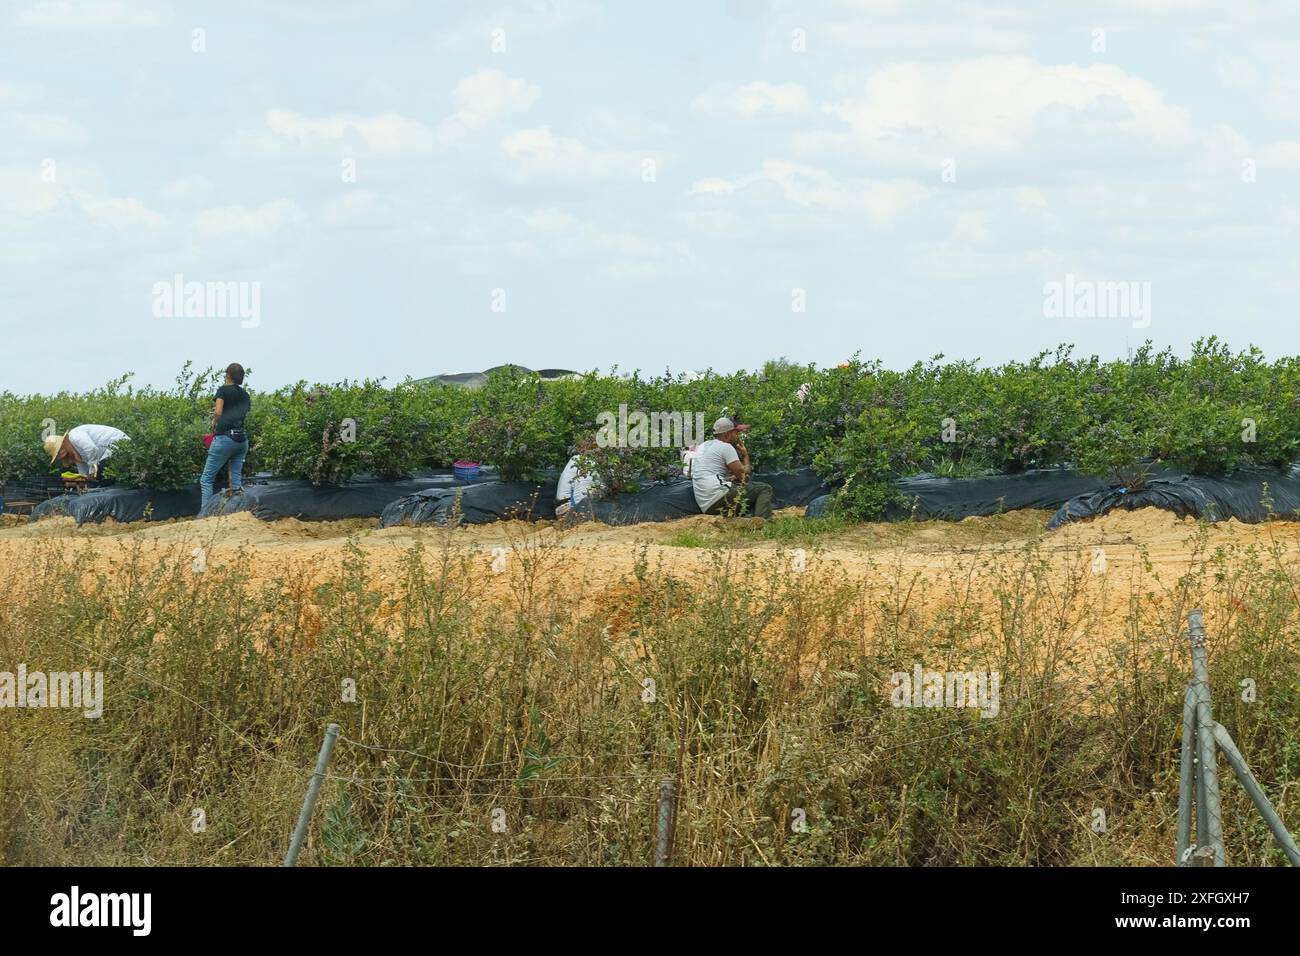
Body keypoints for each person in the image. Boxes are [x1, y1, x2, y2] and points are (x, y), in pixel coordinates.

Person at [690, 416, 773, 520]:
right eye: (736, 433)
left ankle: (745, 519)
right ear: (727, 435)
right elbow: (744, 478)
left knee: (738, 486)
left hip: (706, 505)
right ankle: (762, 522)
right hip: (718, 498)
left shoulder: (704, 445)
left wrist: (732, 477)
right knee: (764, 488)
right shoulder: (726, 447)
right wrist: (745, 456)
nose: (738, 436)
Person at [199, 363, 251, 509]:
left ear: (227, 375)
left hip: (225, 439)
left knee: (206, 480)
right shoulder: (245, 394)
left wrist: (214, 420)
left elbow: (218, 412)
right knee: (236, 483)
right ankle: (237, 512)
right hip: (242, 441)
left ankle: (205, 514)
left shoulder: (222, 390)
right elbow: (238, 413)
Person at [44, 424, 128, 479]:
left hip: (119, 443)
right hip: (107, 452)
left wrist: (92, 472)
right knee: (100, 476)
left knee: (103, 475)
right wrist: (81, 482)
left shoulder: (75, 435)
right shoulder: (76, 454)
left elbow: (92, 449)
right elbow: (83, 472)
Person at [555, 435, 602, 519]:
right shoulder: (601, 465)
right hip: (578, 509)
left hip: (566, 508)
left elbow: (561, 494)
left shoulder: (575, 460)